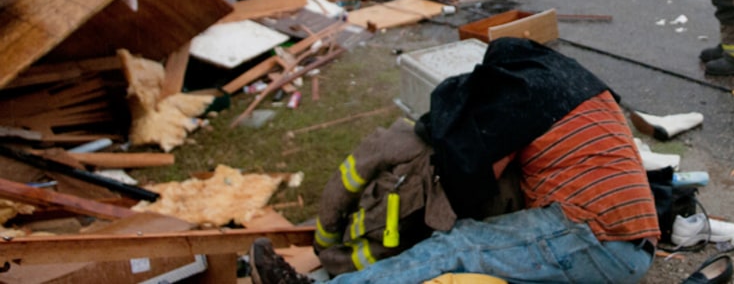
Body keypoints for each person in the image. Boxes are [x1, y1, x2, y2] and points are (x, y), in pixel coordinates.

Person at [249, 38, 659, 284]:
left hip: (594, 240)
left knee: (460, 244)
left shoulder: (527, 97)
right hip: (630, 245)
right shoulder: (585, 93)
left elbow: (474, 174)